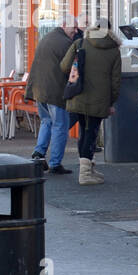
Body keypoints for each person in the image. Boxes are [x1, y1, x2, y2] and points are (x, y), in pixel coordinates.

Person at [61, 17, 121, 186]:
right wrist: (111, 101)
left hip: (77, 94)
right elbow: (116, 81)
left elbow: (64, 66)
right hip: (99, 99)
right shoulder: (114, 50)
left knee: (84, 131)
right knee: (91, 132)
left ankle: (88, 169)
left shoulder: (80, 43)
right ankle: (85, 173)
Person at [28, 15, 82, 174]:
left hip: (40, 91)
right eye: (73, 29)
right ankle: (55, 163)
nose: (76, 31)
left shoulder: (47, 38)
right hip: (55, 92)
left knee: (46, 122)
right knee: (60, 126)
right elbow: (71, 69)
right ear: (64, 25)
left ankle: (38, 154)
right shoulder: (66, 44)